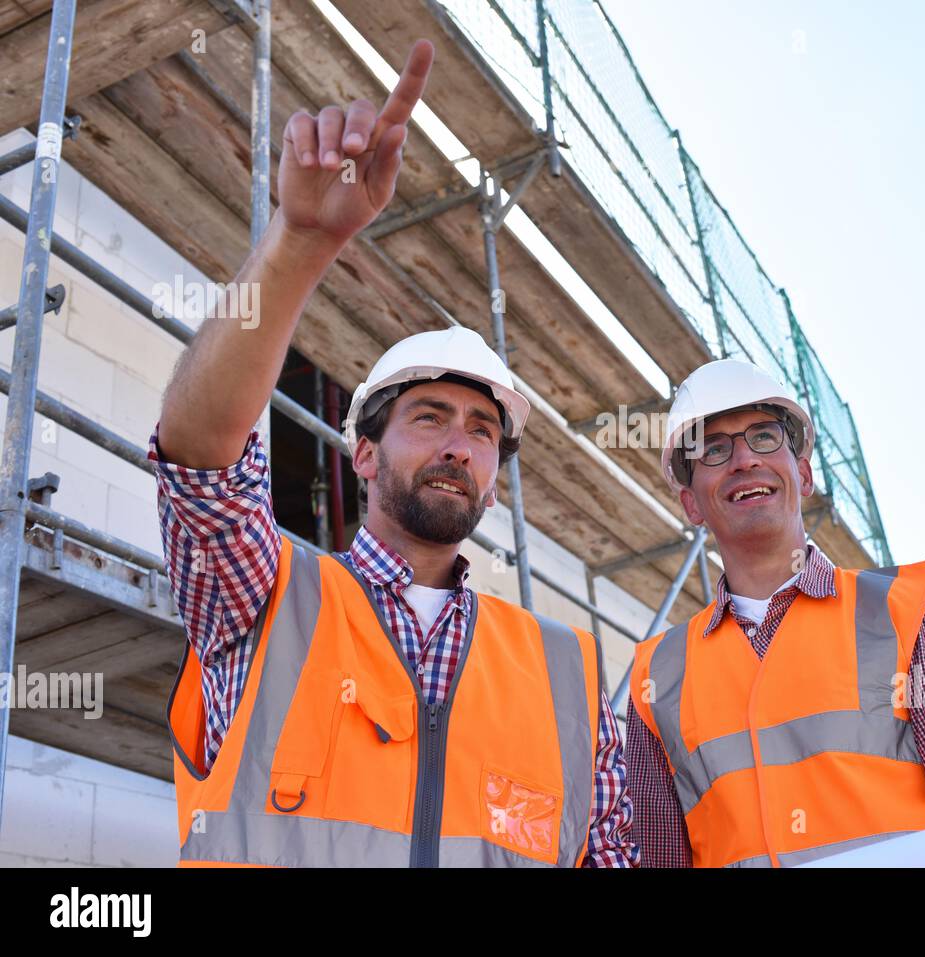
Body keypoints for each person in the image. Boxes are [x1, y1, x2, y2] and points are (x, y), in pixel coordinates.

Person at [151, 40, 636, 867]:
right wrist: (299, 239)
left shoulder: (570, 678)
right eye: (430, 417)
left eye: (483, 431)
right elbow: (198, 457)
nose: (458, 444)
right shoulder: (263, 598)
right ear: (364, 456)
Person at [624, 358, 925, 867]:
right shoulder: (655, 678)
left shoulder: (909, 614)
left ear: (805, 474)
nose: (744, 459)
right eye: (714, 450)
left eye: (765, 437)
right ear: (691, 504)